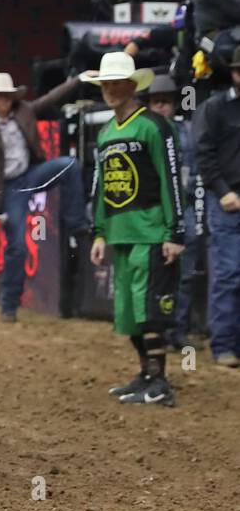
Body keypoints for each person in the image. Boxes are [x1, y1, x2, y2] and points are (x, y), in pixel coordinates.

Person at [84, 53, 185, 406]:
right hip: (121, 234)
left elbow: (171, 178)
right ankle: (145, 374)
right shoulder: (106, 133)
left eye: (116, 83)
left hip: (152, 233)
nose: (110, 90)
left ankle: (159, 382)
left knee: (149, 311)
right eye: (105, 84)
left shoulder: (154, 126)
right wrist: (98, 232)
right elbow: (101, 189)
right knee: (129, 314)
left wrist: (175, 233)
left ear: (131, 86)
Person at [0, 71, 87, 322]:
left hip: (30, 175)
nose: (4, 101)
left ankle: (77, 224)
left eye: (7, 96)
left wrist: (78, 80)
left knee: (69, 165)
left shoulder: (24, 110)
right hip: (8, 187)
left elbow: (51, 98)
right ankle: (8, 305)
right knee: (17, 246)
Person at [145, 75, 201, 351]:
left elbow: (196, 172)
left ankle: (178, 331)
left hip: (184, 206)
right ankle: (157, 331)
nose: (162, 107)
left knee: (186, 272)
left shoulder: (188, 132)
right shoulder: (143, 133)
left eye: (166, 102)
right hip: (152, 211)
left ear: (175, 104)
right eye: (156, 102)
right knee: (155, 273)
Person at [193, 46, 240, 367]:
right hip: (226, 201)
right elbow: (204, 154)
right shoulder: (216, 108)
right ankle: (223, 343)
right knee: (229, 272)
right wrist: (223, 191)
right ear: (235, 73)